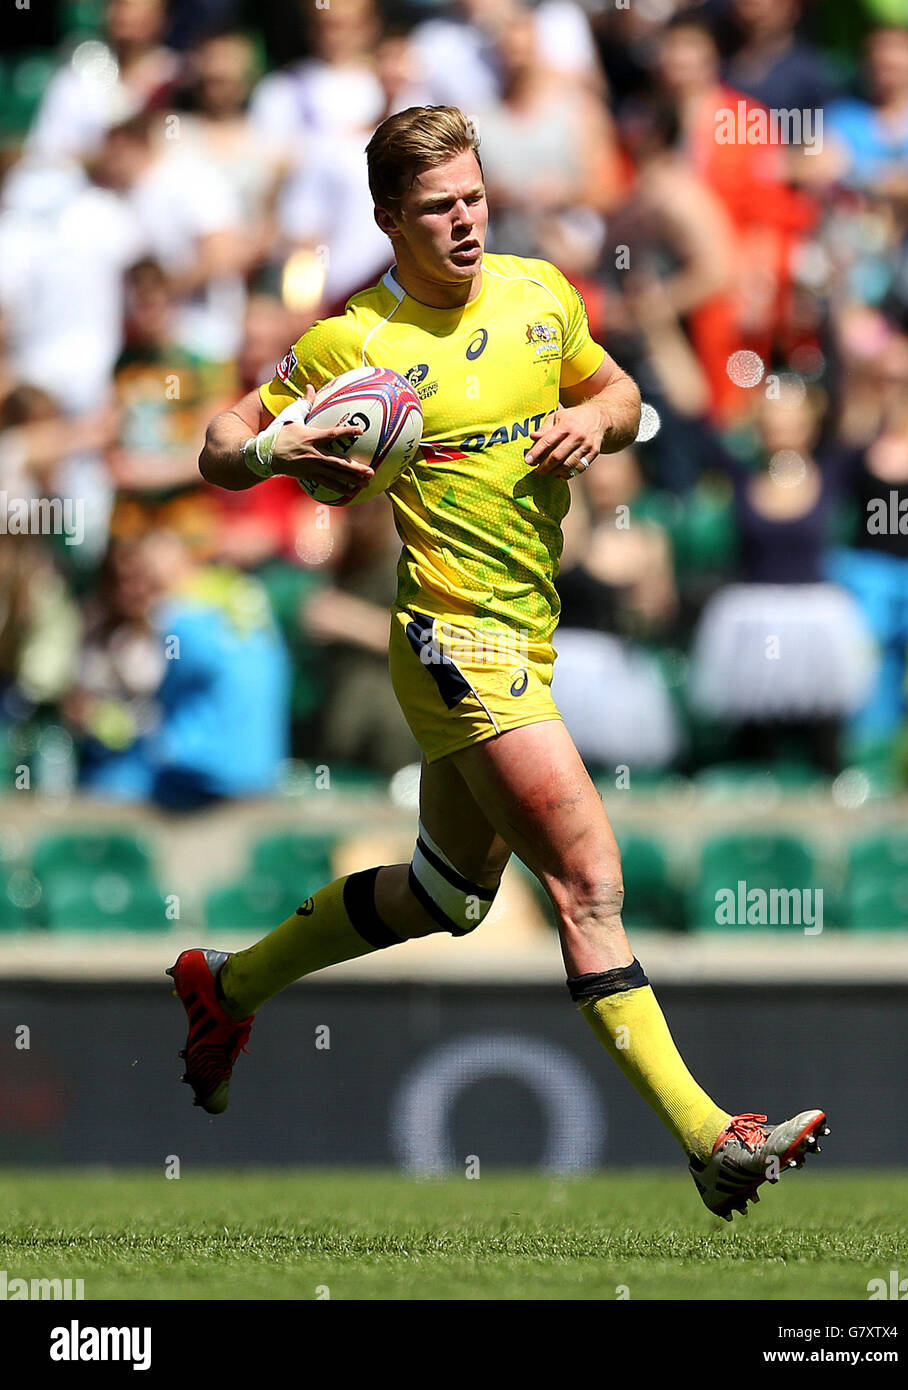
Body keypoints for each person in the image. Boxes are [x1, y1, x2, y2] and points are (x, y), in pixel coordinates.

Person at [174, 105, 827, 1220]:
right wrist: (280, 445)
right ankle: (712, 1139)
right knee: (589, 882)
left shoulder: (538, 295)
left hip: (529, 633)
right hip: (451, 638)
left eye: (475, 196)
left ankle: (226, 987)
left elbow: (621, 395)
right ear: (389, 220)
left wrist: (597, 428)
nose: (467, 220)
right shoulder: (355, 344)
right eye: (439, 208)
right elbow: (220, 447)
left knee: (452, 895)